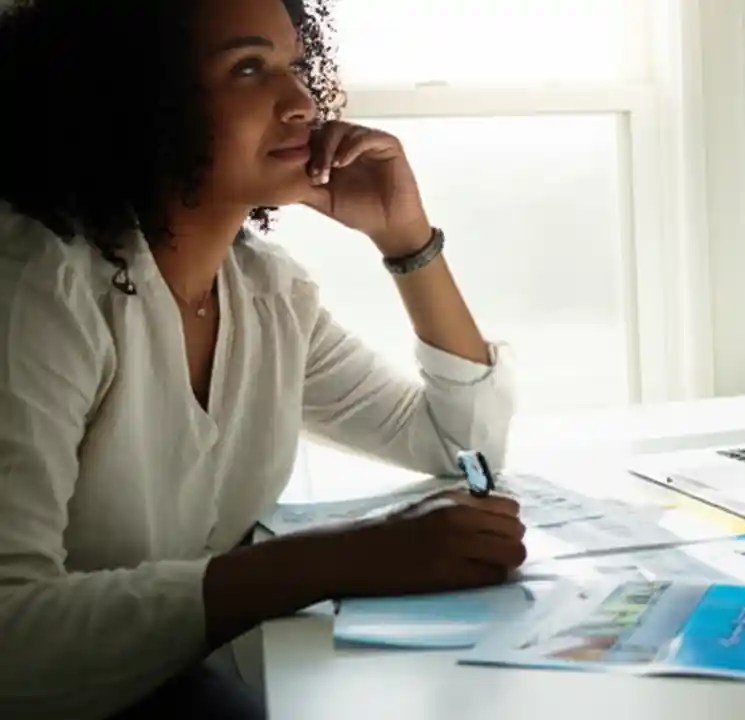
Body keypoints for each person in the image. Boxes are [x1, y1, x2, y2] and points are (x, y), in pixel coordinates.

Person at [0, 0, 528, 717]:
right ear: (138, 100)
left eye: (296, 67)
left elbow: (461, 447)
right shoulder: (39, 292)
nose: (301, 101)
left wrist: (407, 242)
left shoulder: (264, 293)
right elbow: (11, 639)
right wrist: (338, 558)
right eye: (249, 69)